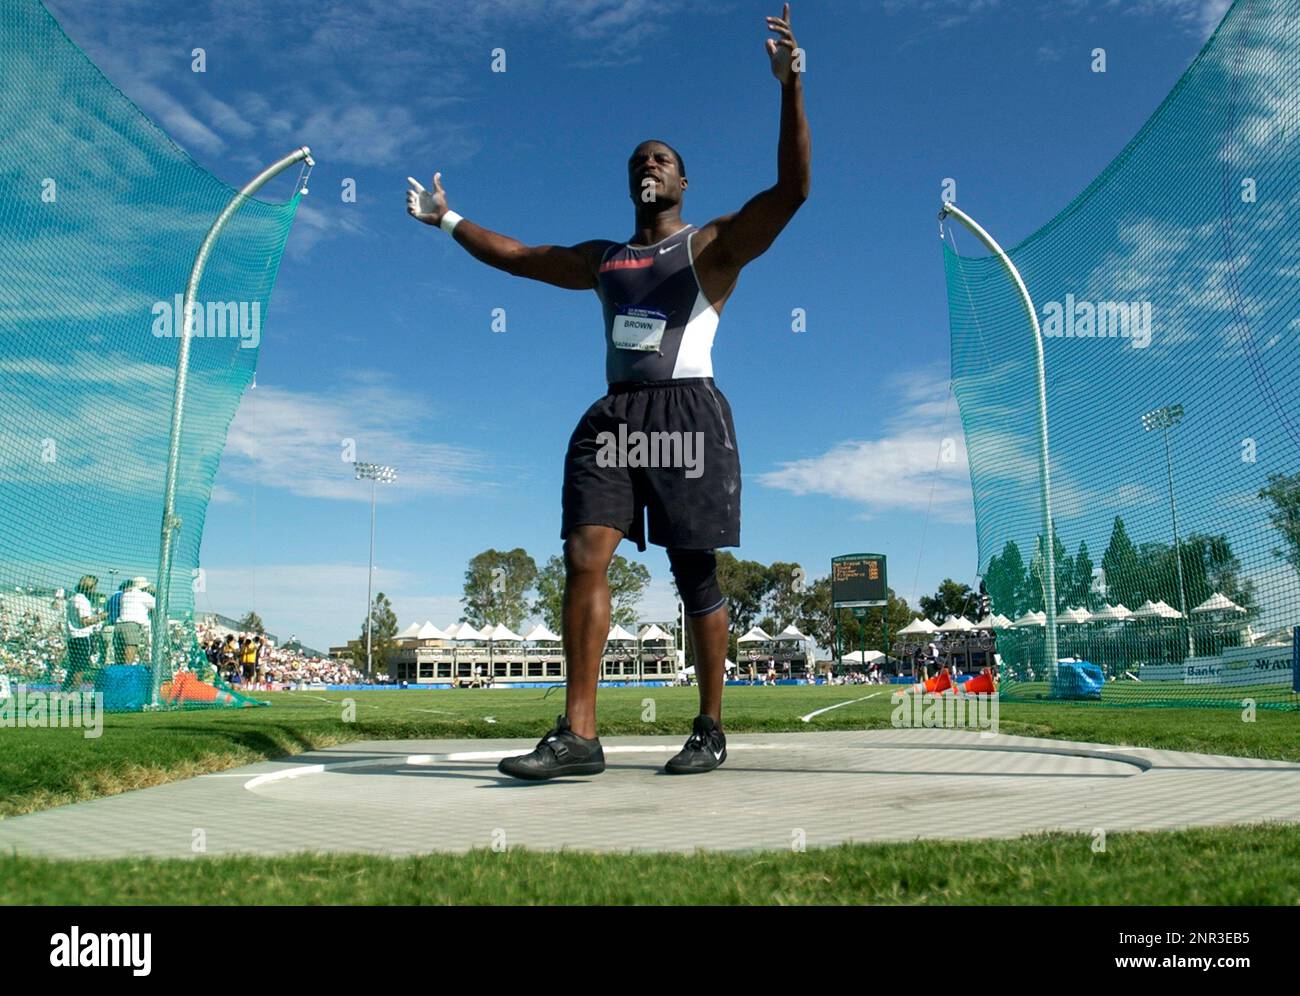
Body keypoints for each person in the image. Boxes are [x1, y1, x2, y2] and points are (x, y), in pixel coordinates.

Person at [408, 7, 810, 779]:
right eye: (637, 159)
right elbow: (524, 256)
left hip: (689, 411)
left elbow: (792, 190)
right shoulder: (603, 259)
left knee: (694, 571)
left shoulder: (714, 244)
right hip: (615, 416)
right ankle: (579, 735)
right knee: (584, 553)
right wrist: (448, 218)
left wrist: (791, 85)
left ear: (684, 179)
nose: (647, 164)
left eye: (661, 157)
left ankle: (709, 726)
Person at [64, 574, 102, 688]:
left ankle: (64, 692)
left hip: (72, 636)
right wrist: (101, 617)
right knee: (79, 669)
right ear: (90, 587)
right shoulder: (83, 600)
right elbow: (84, 622)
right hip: (82, 637)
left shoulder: (73, 598)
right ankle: (74, 693)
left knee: (73, 667)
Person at [113, 576, 154, 665]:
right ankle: (127, 671)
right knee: (130, 648)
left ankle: (118, 673)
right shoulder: (144, 595)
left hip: (119, 624)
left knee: (119, 653)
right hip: (132, 625)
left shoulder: (125, 595)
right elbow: (156, 606)